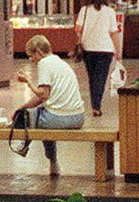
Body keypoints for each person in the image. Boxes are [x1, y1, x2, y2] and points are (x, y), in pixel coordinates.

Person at [11, 35, 85, 176]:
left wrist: (28, 82)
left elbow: (43, 95)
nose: (31, 60)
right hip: (78, 117)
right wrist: (21, 106)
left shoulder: (44, 63)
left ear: (38, 51)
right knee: (42, 114)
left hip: (59, 119)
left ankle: (26, 145)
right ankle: (49, 160)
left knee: (32, 116)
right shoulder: (61, 63)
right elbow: (42, 99)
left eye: (31, 56)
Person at [74, 0, 123, 118]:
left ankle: (94, 104)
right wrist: (118, 51)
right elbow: (114, 33)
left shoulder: (84, 10)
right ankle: (96, 106)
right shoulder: (109, 11)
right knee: (100, 79)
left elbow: (77, 29)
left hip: (88, 48)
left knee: (92, 78)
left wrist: (82, 37)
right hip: (105, 49)